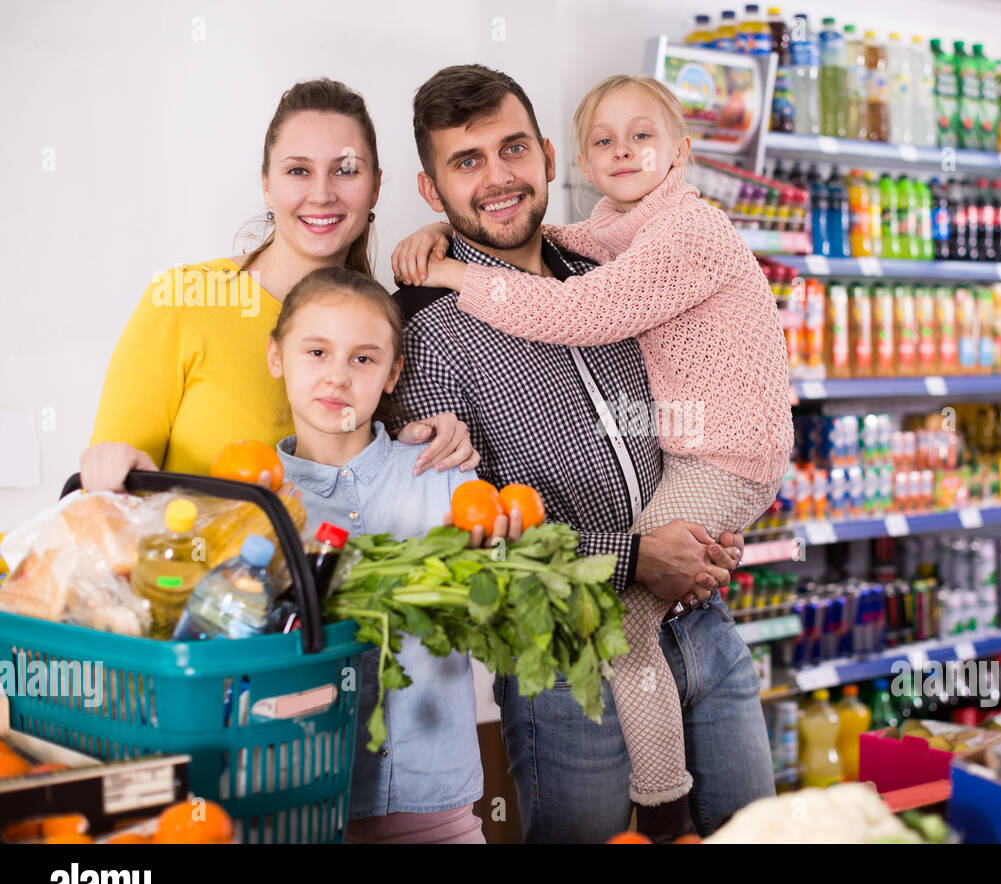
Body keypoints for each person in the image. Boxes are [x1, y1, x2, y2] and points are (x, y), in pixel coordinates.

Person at [382, 64, 776, 843]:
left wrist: (705, 535)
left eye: (513, 149)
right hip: (571, 668)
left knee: (757, 835)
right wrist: (635, 560)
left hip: (702, 628)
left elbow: (701, 408)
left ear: (551, 160)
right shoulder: (422, 331)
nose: (498, 178)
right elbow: (461, 545)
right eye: (467, 162)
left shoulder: (616, 268)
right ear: (433, 192)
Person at [80, 78, 475, 493]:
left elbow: (374, 482)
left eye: (345, 170)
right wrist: (118, 487)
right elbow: (102, 497)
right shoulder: (182, 299)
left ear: (375, 187)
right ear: (267, 185)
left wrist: (430, 439)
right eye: (298, 170)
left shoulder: (381, 329)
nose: (321, 194)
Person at [268, 265, 506, 844]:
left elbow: (495, 614)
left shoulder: (447, 479)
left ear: (394, 372)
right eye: (317, 352)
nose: (338, 378)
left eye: (364, 359)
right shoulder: (259, 505)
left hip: (440, 811)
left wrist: (504, 561)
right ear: (277, 357)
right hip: (302, 811)